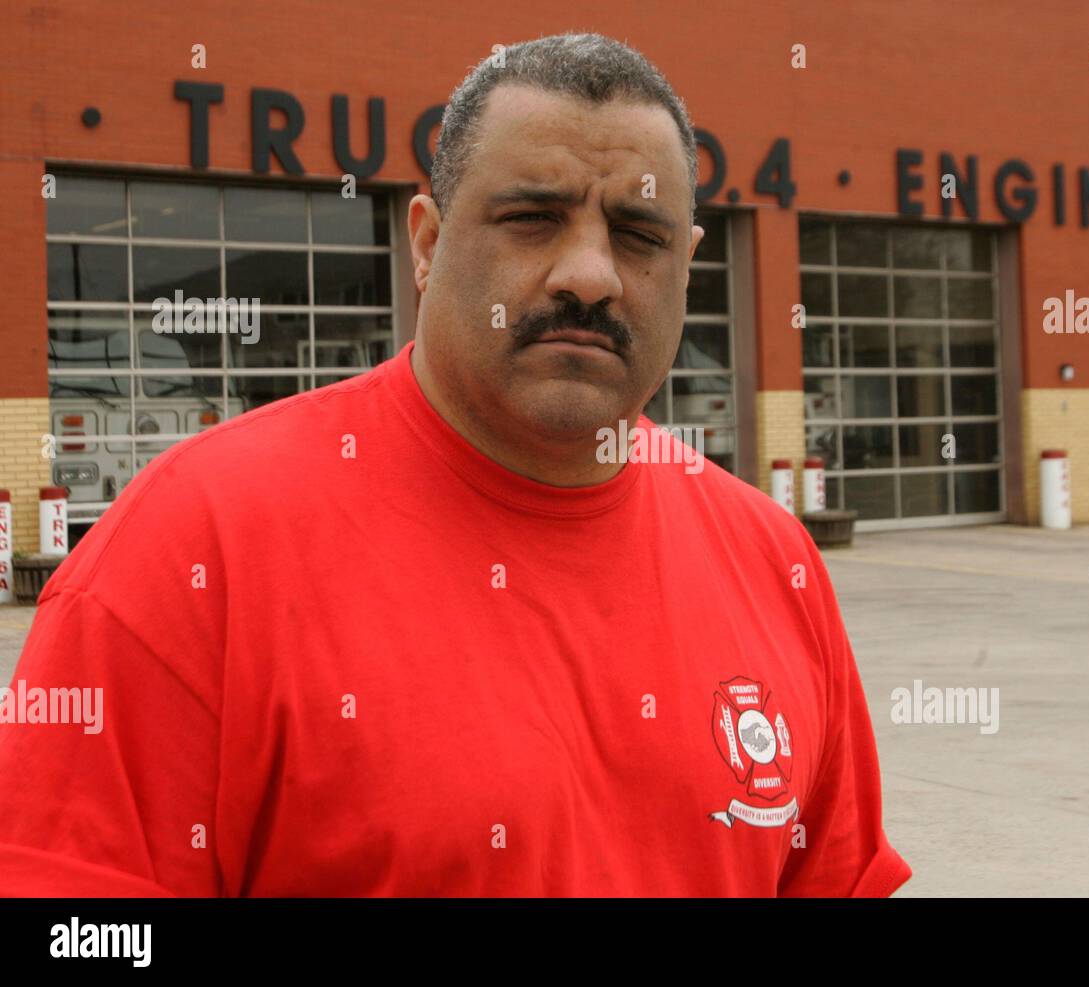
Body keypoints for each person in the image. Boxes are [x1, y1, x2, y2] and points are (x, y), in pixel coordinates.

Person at [0, 32, 909, 896]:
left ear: (688, 267)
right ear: (427, 242)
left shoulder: (774, 563)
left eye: (638, 233)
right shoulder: (188, 553)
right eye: (531, 217)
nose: (589, 275)